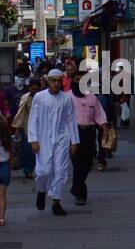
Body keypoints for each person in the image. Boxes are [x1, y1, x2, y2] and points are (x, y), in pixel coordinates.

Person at [27, 69, 79, 216]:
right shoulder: (39, 97)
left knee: (60, 171)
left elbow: (71, 120)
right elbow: (33, 120)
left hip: (61, 139)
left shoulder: (66, 98)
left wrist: (74, 141)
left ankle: (56, 201)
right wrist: (34, 140)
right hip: (43, 139)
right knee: (44, 171)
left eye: (59, 81)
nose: (56, 84)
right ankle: (41, 191)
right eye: (53, 80)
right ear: (48, 81)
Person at [69, 75, 106, 206]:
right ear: (73, 81)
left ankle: (75, 186)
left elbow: (99, 114)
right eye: (77, 79)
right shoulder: (68, 97)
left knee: (88, 163)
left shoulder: (92, 97)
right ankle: (80, 194)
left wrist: (104, 126)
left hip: (89, 133)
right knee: (77, 163)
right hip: (73, 133)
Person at [12, 78, 40, 178]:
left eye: (37, 90)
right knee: (28, 151)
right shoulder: (25, 97)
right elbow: (21, 113)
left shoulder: (44, 97)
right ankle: (28, 170)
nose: (35, 91)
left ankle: (40, 170)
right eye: (33, 89)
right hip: (27, 127)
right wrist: (17, 128)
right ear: (29, 88)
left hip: (41, 127)